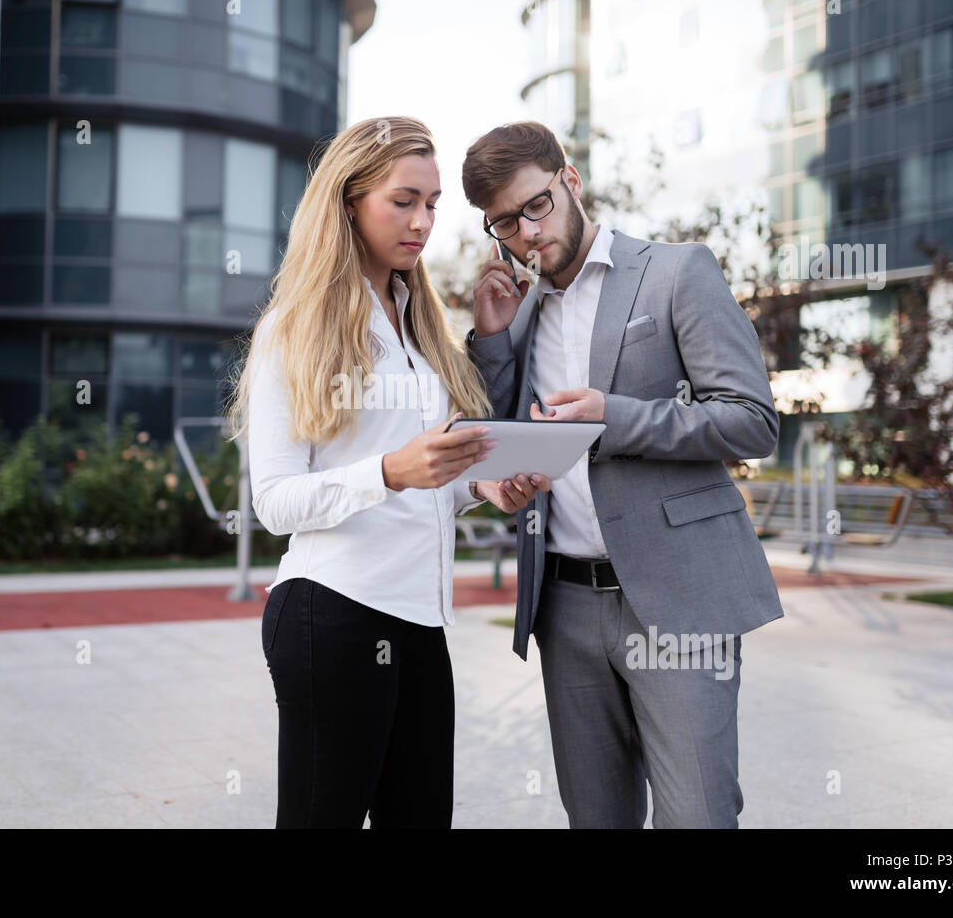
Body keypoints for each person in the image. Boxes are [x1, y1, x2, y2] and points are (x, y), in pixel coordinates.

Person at [227, 116, 549, 828]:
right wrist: (391, 472)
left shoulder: (421, 325)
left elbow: (428, 476)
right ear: (349, 200)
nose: (423, 221)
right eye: (403, 200)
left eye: (432, 203)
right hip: (332, 612)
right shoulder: (294, 328)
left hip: (420, 620)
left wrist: (483, 486)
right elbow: (276, 502)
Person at [460, 121, 783, 828]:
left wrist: (615, 418)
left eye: (536, 205)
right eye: (504, 223)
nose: (526, 234)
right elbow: (492, 442)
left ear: (569, 180)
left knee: (697, 814)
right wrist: (488, 341)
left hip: (678, 595)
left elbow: (752, 420)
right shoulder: (514, 315)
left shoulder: (676, 272)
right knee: (595, 817)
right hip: (565, 605)